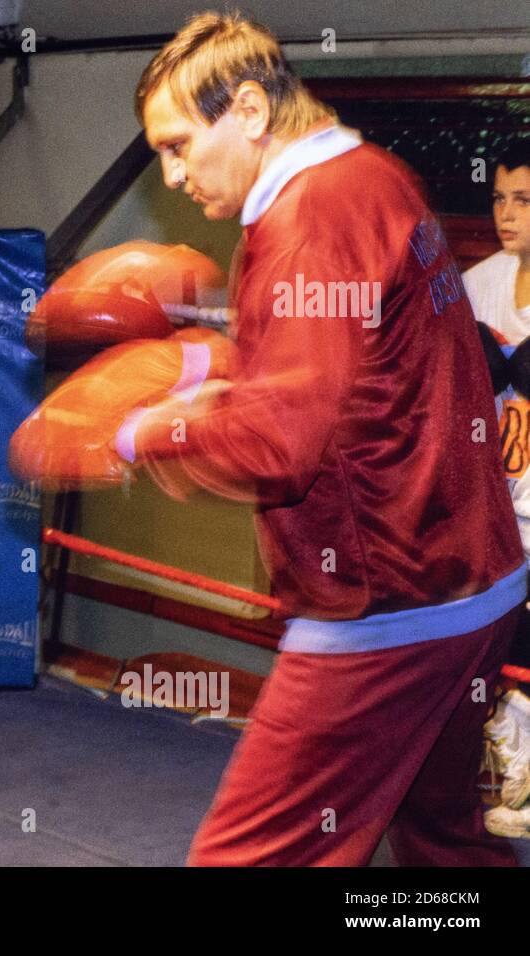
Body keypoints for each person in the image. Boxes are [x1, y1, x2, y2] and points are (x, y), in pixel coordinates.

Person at [117, 11, 526, 865]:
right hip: (478, 578)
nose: (173, 172)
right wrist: (230, 377)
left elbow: (278, 448)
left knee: (246, 859)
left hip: (390, 607)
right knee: (447, 847)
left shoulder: (307, 219)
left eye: (182, 144)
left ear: (254, 110)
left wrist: (143, 431)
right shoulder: (371, 174)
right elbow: (364, 380)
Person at [464, 142, 530, 838]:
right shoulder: (478, 283)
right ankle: (519, 770)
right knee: (498, 635)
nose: (507, 214)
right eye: (500, 198)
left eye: (524, 200)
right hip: (497, 493)